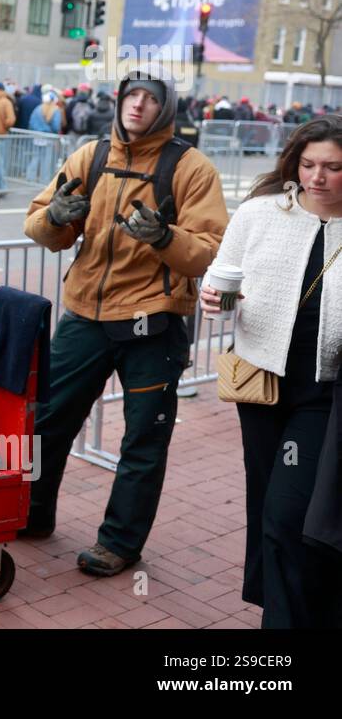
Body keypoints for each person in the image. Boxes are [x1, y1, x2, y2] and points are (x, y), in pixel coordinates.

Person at [21, 69, 229, 575]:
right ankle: (30, 514)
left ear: (166, 107)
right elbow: (39, 224)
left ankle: (118, 543)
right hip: (85, 318)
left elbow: (210, 253)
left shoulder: (190, 167)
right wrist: (55, 218)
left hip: (151, 325)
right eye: (130, 95)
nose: (137, 105)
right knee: (46, 424)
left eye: (149, 98)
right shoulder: (89, 156)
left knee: (143, 440)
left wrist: (163, 238)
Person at [199, 117, 342, 628]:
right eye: (308, 165)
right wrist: (211, 297)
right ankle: (282, 604)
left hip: (323, 391)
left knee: (290, 511)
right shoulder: (260, 213)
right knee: (267, 500)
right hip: (260, 381)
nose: (317, 177)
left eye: (332, 167)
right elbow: (219, 277)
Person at [25, 90, 63, 183]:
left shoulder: (38, 108)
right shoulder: (55, 110)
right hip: (49, 138)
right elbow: (56, 126)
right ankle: (44, 179)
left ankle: (30, 177)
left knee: (35, 157)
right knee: (47, 159)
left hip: (37, 137)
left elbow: (31, 123)